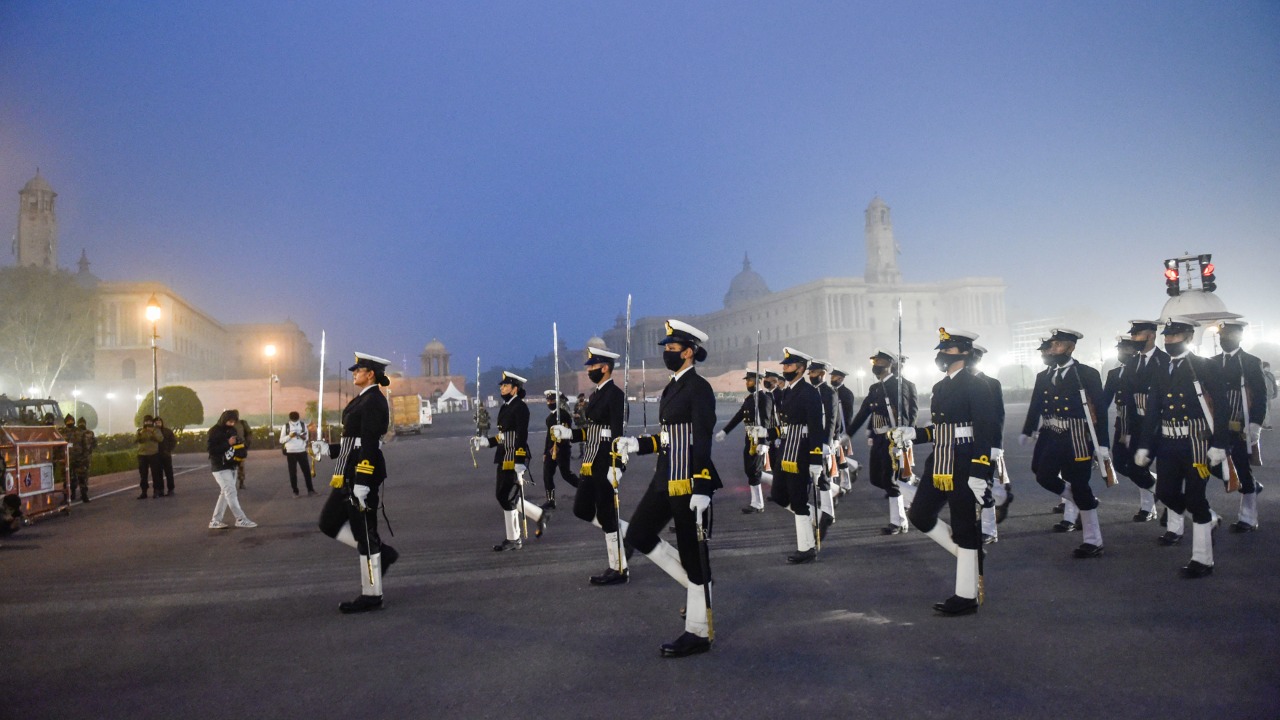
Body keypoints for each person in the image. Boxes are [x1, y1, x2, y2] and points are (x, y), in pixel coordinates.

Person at [617, 319, 720, 658]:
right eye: (666, 349)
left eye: (672, 349)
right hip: (664, 479)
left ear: (689, 352)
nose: (667, 353)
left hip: (689, 481)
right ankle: (698, 584)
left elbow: (701, 438)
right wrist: (638, 444)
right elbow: (668, 438)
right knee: (638, 535)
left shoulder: (699, 387)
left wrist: (703, 483)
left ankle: (698, 632)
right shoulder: (673, 387)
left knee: (693, 553)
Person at [892, 328, 999, 615]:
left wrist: (980, 471)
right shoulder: (941, 387)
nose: (941, 355)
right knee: (919, 514)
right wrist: (913, 433)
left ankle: (966, 596)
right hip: (940, 461)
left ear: (964, 351)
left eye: (947, 350)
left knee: (964, 527)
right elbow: (940, 429)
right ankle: (970, 556)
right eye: (941, 349)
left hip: (965, 461)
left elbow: (985, 430)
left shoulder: (977, 385)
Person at [1134, 319, 1230, 577]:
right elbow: (1153, 410)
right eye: (1167, 337)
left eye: (1174, 337)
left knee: (1196, 498)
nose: (1168, 341)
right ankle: (1206, 517)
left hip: (1196, 443)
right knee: (1165, 492)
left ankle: (1202, 560)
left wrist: (1220, 443)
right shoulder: (1162, 369)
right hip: (1168, 443)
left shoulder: (1203, 367)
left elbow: (1221, 406)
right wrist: (1145, 446)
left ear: (1188, 337)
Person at [312, 353, 400, 613]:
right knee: (329, 522)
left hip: (362, 472)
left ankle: (372, 594)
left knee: (364, 532)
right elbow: (354, 441)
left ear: (370, 373)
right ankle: (381, 552)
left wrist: (363, 480)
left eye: (358, 370)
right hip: (346, 471)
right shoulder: (364, 399)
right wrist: (329, 449)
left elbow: (370, 443)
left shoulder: (374, 400)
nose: (354, 373)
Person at [1019, 328, 1110, 558]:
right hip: (1051, 433)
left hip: (1077, 436)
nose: (1052, 349)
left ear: (1071, 347)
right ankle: (1085, 502)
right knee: (1043, 475)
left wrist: (1102, 443)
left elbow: (1099, 410)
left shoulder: (1086, 374)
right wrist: (1028, 428)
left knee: (1080, 484)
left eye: (1058, 345)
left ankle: (1093, 540)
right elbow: (1036, 404)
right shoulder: (1044, 375)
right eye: (1052, 345)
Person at [550, 348, 629, 584]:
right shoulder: (595, 394)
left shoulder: (615, 395)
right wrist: (569, 435)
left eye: (592, 367)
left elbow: (617, 433)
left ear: (605, 367)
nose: (588, 370)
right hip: (590, 460)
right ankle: (614, 527)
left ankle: (618, 568)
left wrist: (618, 464)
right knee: (581, 509)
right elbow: (590, 430)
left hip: (606, 458)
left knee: (606, 512)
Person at [471, 372, 547, 550]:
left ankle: (515, 538)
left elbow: (522, 434)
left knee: (506, 496)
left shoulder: (520, 407)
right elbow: (503, 435)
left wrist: (520, 460)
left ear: (515, 389)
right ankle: (537, 516)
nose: (501, 388)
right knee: (502, 495)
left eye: (505, 386)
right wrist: (487, 442)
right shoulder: (506, 407)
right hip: (504, 454)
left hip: (516, 455)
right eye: (501, 386)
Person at [848, 350, 919, 535]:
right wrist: (847, 434)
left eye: (879, 361)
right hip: (879, 438)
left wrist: (903, 437)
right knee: (876, 478)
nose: (875, 364)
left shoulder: (899, 385)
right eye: (874, 361)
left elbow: (907, 413)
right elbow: (863, 412)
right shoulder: (875, 388)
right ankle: (912, 495)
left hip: (892, 438)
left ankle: (898, 522)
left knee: (890, 480)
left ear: (889, 364)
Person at [767, 347, 825, 564]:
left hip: (801, 451)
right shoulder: (788, 391)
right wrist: (767, 433)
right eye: (784, 365)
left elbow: (816, 427)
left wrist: (816, 459)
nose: (784, 368)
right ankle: (808, 515)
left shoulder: (809, 393)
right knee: (779, 495)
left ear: (800, 369)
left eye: (789, 365)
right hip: (785, 450)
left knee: (798, 500)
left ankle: (807, 548)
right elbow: (785, 426)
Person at [1211, 320, 1267, 532]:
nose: (1224, 340)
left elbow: (1261, 395)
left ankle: (1248, 518)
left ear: (1239, 338)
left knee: (1242, 467)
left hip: (1240, 424)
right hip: (1217, 424)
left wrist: (1255, 424)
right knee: (1212, 464)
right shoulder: (1213, 362)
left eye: (1229, 337)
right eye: (1222, 337)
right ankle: (1249, 485)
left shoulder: (1250, 362)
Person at [1124, 320, 1168, 522]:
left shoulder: (1165, 360)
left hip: (1163, 422)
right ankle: (1159, 497)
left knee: (1167, 469)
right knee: (1135, 468)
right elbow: (1128, 397)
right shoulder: (1132, 362)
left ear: (1151, 336)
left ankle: (1158, 508)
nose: (1133, 338)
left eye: (1137, 335)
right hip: (1139, 424)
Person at [715, 371, 773, 514]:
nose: (747, 383)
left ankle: (757, 503)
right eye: (747, 381)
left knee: (754, 470)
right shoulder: (749, 399)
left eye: (750, 381)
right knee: (750, 470)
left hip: (758, 438)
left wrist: (763, 442)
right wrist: (725, 431)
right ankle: (775, 484)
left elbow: (766, 421)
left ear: (758, 381)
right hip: (749, 437)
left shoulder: (764, 398)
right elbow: (738, 416)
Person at [970, 345, 1008, 544]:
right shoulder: (958, 383)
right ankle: (1000, 496)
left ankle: (989, 530)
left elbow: (998, 416)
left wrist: (996, 445)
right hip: (964, 442)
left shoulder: (991, 383)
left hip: (985, 442)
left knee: (983, 484)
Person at [206, 409, 257, 529]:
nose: (232, 424)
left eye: (234, 421)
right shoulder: (214, 431)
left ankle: (215, 521)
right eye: (229, 421)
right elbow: (211, 450)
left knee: (225, 494)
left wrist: (240, 446)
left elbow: (236, 445)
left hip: (231, 465)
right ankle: (240, 518)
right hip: (220, 467)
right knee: (231, 493)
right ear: (224, 419)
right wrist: (228, 443)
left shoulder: (232, 430)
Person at [806, 359, 839, 540]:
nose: (811, 376)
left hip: (822, 440)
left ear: (822, 374)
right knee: (816, 477)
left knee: (823, 477)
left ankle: (828, 511)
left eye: (814, 373)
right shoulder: (810, 392)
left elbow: (832, 418)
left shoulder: (829, 392)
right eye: (810, 373)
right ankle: (825, 511)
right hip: (810, 439)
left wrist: (827, 442)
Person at [540, 390, 578, 509]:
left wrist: (558, 446)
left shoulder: (563, 415)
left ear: (557, 401)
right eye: (548, 400)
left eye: (552, 400)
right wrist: (546, 452)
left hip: (562, 449)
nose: (549, 402)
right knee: (547, 475)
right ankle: (550, 500)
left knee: (566, 474)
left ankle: (585, 490)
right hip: (550, 451)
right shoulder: (550, 418)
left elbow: (566, 433)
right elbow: (548, 436)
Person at [828, 366, 858, 494]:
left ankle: (845, 483)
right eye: (832, 377)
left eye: (834, 377)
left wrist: (846, 433)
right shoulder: (831, 391)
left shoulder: (846, 393)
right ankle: (847, 475)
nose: (832, 379)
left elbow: (848, 414)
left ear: (841, 379)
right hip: (833, 430)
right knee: (837, 458)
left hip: (841, 430)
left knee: (840, 459)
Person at [279, 411, 315, 496]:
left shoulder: (303, 425)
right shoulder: (286, 426)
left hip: (301, 451)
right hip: (291, 452)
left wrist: (302, 437)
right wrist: (290, 436)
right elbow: (281, 440)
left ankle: (310, 490)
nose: (294, 421)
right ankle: (295, 491)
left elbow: (306, 438)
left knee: (306, 472)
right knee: (293, 472)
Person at [135, 415, 165, 499]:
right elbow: (135, 440)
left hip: (153, 454)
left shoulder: (156, 430)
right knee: (143, 474)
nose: (148, 423)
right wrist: (139, 434)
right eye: (146, 421)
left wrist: (152, 432)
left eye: (149, 421)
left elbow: (160, 439)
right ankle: (144, 491)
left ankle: (156, 491)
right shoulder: (140, 430)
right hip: (142, 454)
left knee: (155, 473)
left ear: (152, 422)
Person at [72, 417, 96, 503]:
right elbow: (94, 445)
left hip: (77, 458)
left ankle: (73, 494)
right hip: (85, 459)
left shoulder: (75, 433)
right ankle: (83, 494)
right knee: (84, 477)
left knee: (74, 476)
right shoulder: (90, 433)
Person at [155, 416, 177, 496]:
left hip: (166, 455)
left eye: (159, 422)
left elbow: (173, 441)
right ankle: (161, 490)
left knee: (169, 473)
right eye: (156, 423)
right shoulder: (153, 432)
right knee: (159, 473)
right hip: (156, 455)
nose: (158, 424)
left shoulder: (167, 431)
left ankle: (171, 489)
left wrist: (168, 450)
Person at [233, 413, 252, 490]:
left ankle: (241, 482)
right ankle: (233, 483)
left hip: (241, 448)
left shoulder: (242, 423)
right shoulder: (228, 424)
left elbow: (249, 433)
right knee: (231, 467)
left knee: (241, 466)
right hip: (231, 448)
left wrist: (247, 444)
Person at [573, 393, 588, 459]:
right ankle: (581, 453)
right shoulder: (576, 405)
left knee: (588, 438)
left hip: (586, 423)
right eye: (580, 398)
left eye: (582, 397)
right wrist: (576, 421)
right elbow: (574, 414)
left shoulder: (587, 404)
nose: (581, 399)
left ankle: (588, 452)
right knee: (581, 439)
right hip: (579, 424)